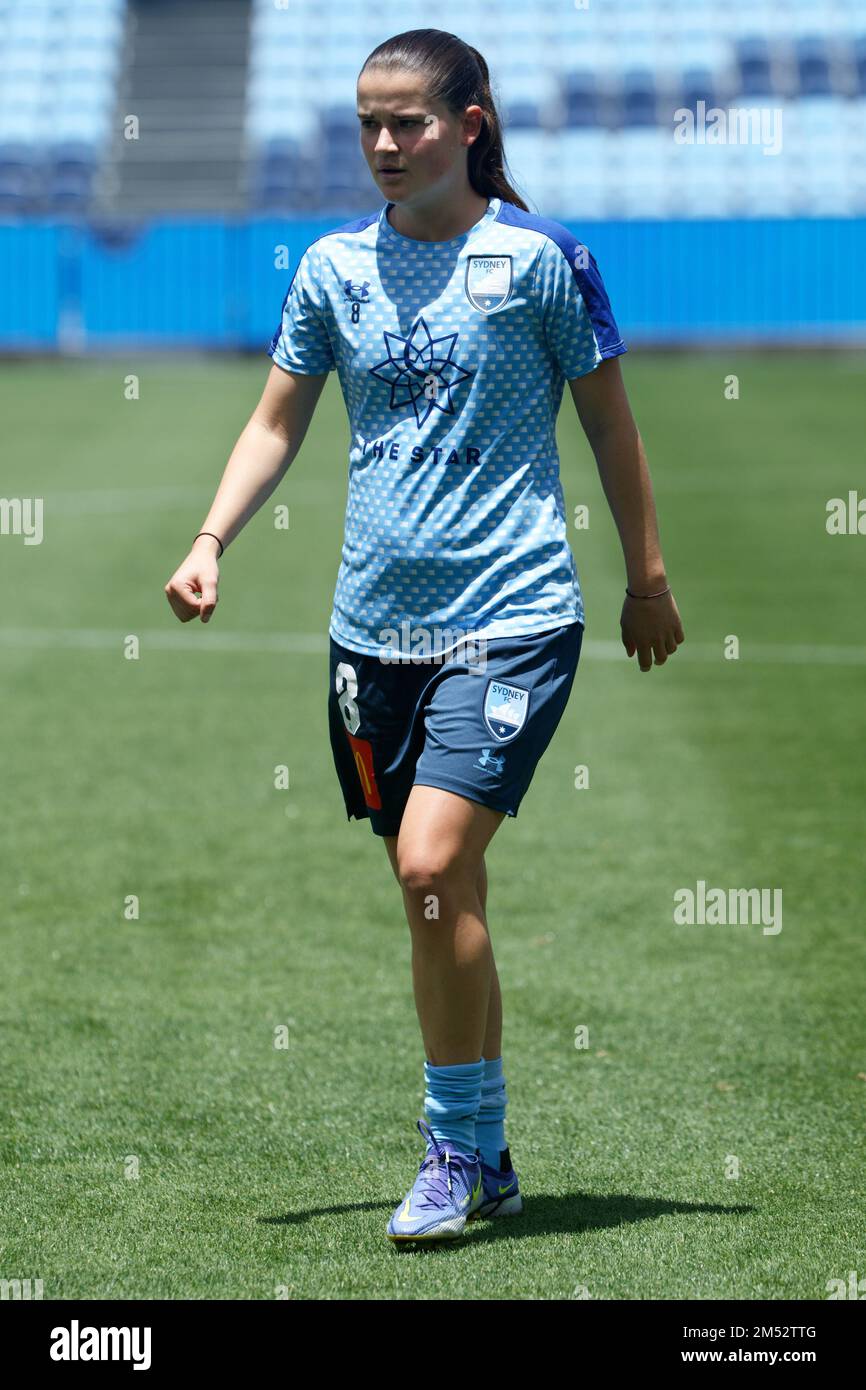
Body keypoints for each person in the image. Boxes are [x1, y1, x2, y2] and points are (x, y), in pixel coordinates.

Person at [164, 28, 684, 1244]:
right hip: (369, 634)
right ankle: (491, 1152)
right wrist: (209, 540)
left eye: (408, 122)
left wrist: (645, 577)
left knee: (428, 865)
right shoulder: (332, 271)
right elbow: (273, 423)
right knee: (443, 896)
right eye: (366, 124)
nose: (385, 145)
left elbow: (610, 427)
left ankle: (448, 1151)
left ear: (471, 123)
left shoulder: (543, 260)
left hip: (511, 616)